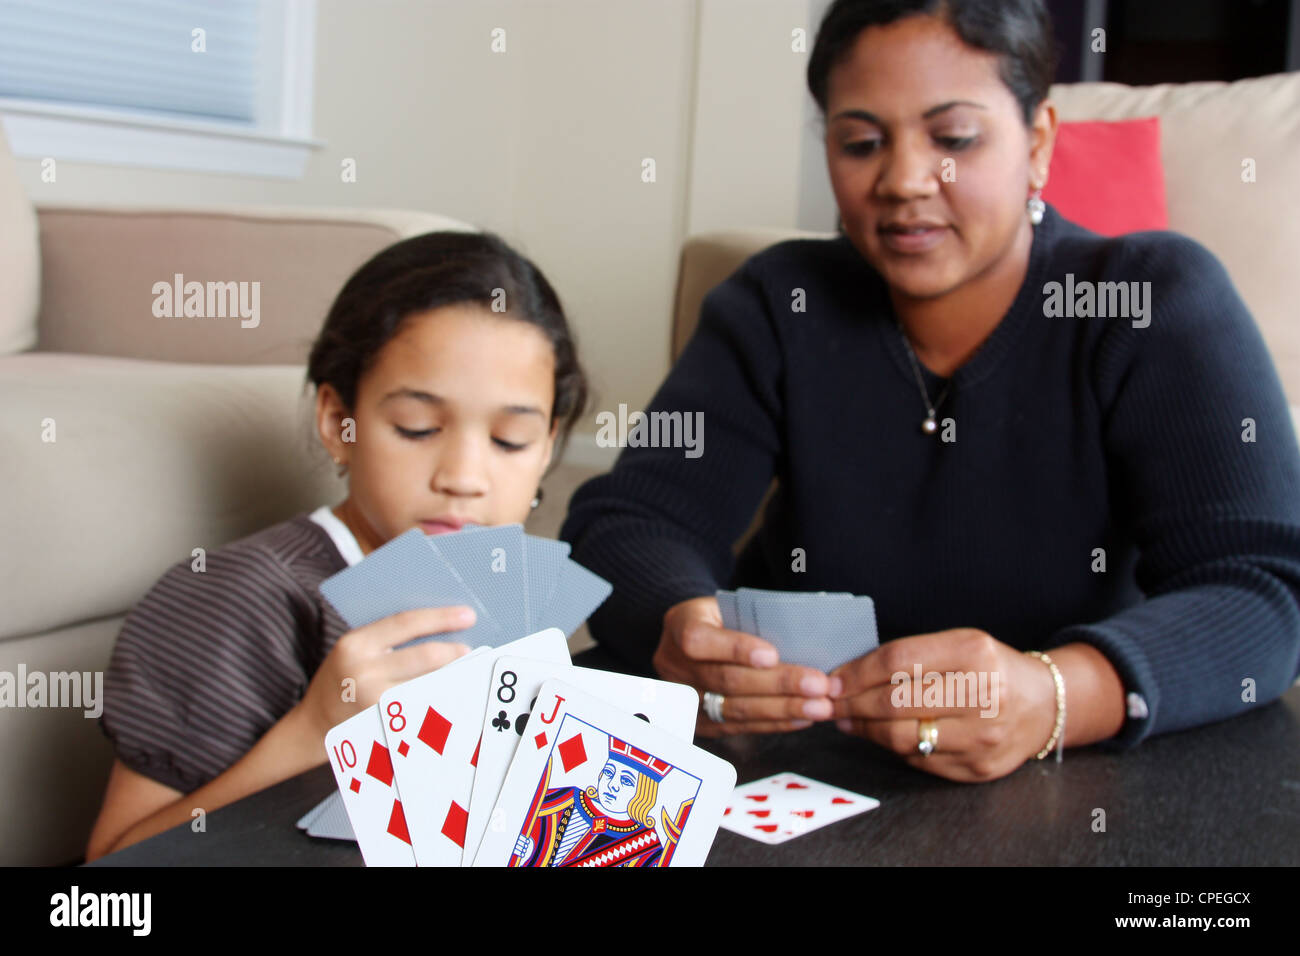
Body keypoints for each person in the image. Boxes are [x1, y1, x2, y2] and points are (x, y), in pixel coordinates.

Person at [559, 0, 1300, 782]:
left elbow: (1263, 590)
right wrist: (683, 622)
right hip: (793, 762)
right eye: (861, 142)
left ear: (1038, 142)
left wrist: (1053, 697)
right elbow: (629, 521)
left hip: (1072, 778)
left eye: (953, 138)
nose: (905, 180)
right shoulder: (778, 305)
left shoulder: (1149, 299)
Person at [86, 231, 589, 859]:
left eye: (511, 440)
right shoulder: (231, 601)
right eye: (418, 427)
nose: (463, 476)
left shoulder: (514, 600)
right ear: (337, 423)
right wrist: (314, 730)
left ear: (547, 448)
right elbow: (108, 870)